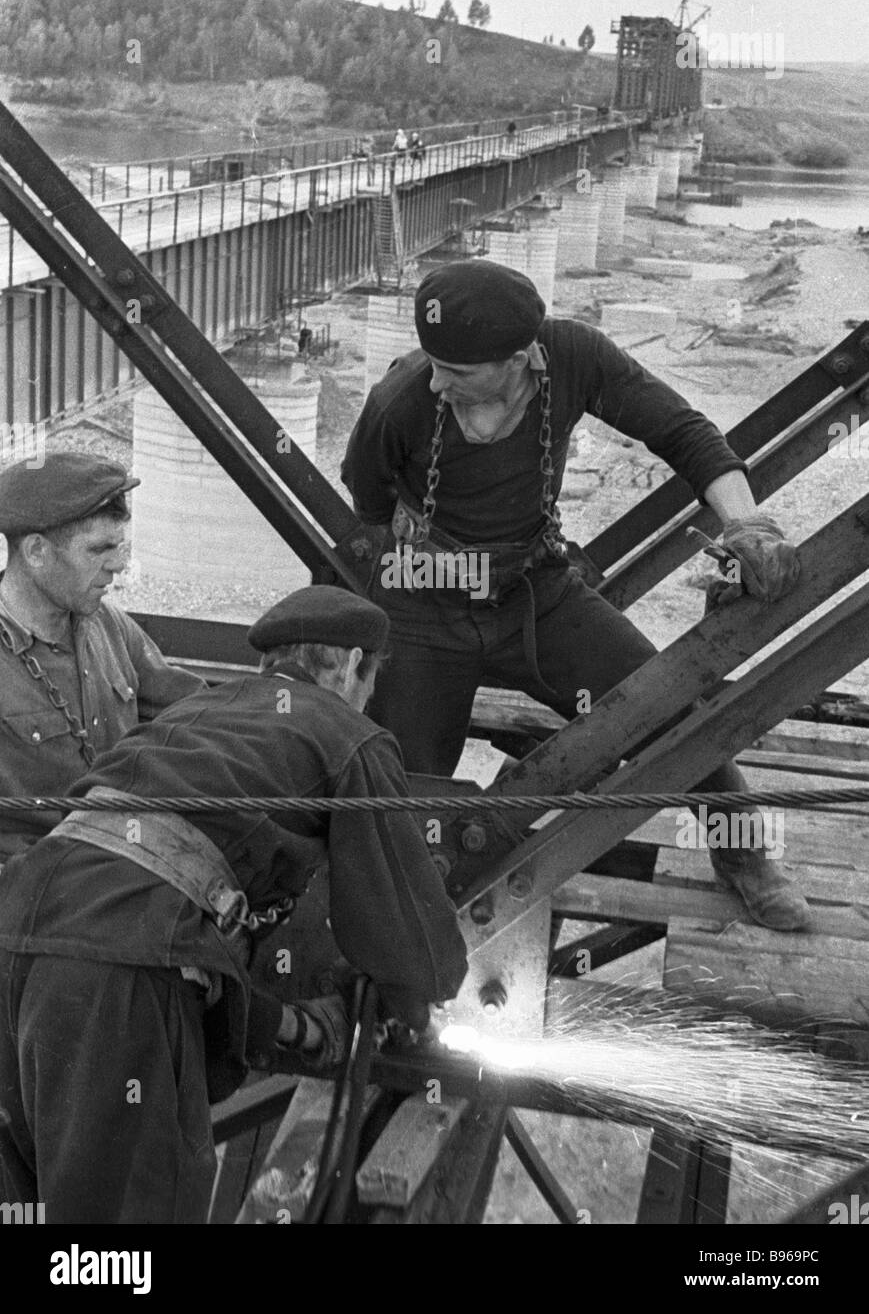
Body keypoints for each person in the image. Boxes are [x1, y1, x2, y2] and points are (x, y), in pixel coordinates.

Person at [341, 259, 811, 933]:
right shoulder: (402, 401)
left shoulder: (570, 357)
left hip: (537, 595)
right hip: (426, 605)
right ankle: (400, 930)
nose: (437, 380)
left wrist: (745, 525)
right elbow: (367, 506)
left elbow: (684, 433)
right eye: (433, 363)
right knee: (405, 793)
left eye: (458, 371)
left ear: (517, 357)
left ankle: (744, 859)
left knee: (674, 711)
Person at [0, 586, 467, 1223]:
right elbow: (398, 917)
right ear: (355, 661)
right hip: (112, 956)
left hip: (19, 926)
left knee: (35, 1206)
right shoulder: (347, 735)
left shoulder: (196, 715)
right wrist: (417, 1004)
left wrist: (290, 1021)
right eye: (371, 676)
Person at [0, 453, 205, 865]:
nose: (119, 565)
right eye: (100, 549)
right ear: (37, 552)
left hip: (119, 860)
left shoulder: (107, 625)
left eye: (120, 546)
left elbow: (195, 712)